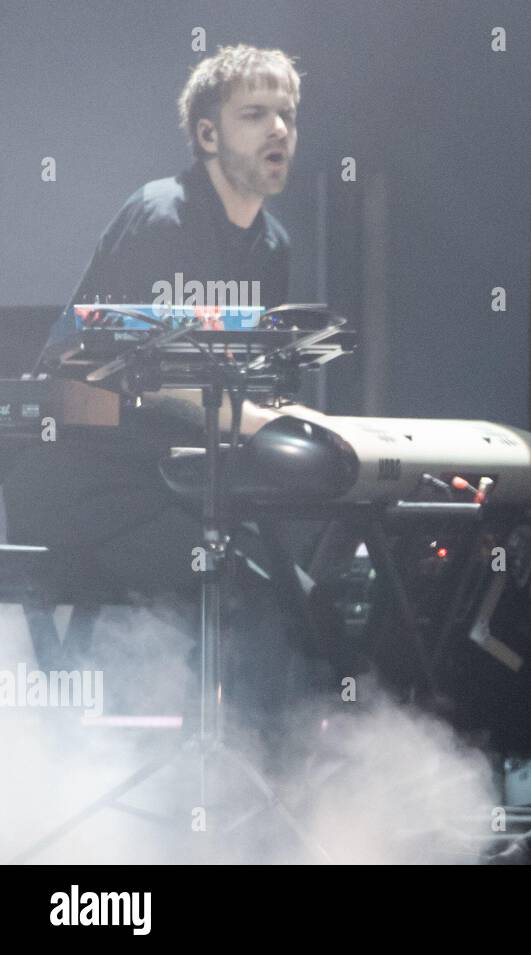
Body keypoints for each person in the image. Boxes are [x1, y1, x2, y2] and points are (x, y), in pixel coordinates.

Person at [4, 44, 303, 720]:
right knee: (244, 596)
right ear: (207, 134)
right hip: (81, 482)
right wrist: (249, 417)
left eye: (287, 114)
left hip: (174, 488)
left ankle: (263, 789)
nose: (279, 130)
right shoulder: (162, 216)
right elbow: (120, 374)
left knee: (300, 594)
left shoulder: (274, 245)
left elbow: (254, 383)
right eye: (255, 114)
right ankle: (223, 794)